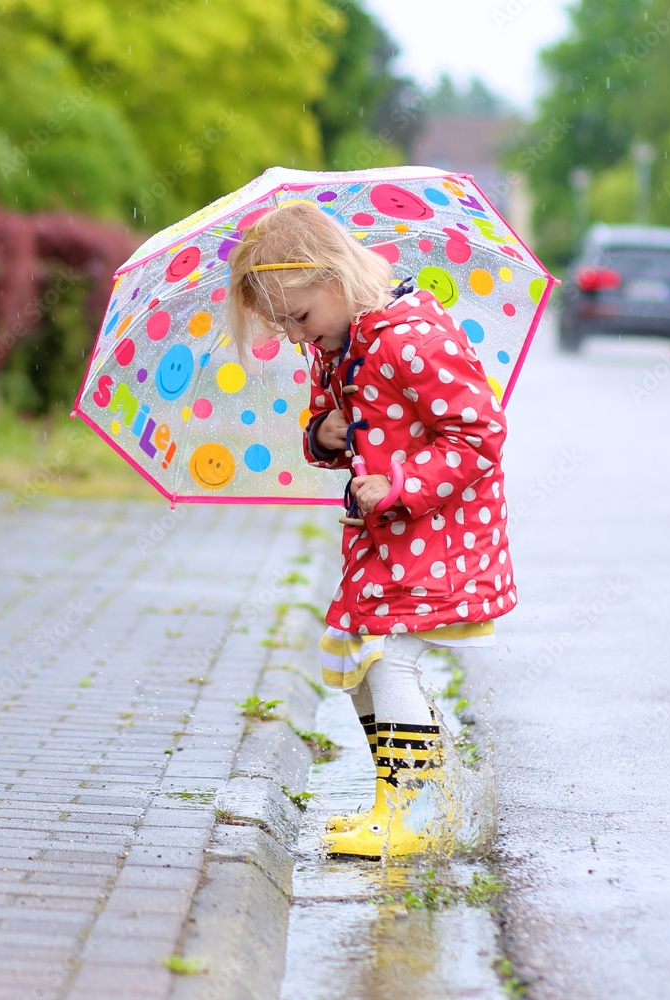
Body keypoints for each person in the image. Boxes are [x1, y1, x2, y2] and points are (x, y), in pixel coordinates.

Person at [227, 202, 515, 858]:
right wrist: (323, 435)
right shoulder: (340, 346)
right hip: (380, 540)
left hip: (439, 536)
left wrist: (403, 484)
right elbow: (346, 435)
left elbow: (479, 433)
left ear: (335, 277)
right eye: (283, 327)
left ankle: (421, 809)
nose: (297, 338)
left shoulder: (409, 336)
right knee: (356, 666)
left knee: (388, 663)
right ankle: (404, 798)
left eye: (299, 319)